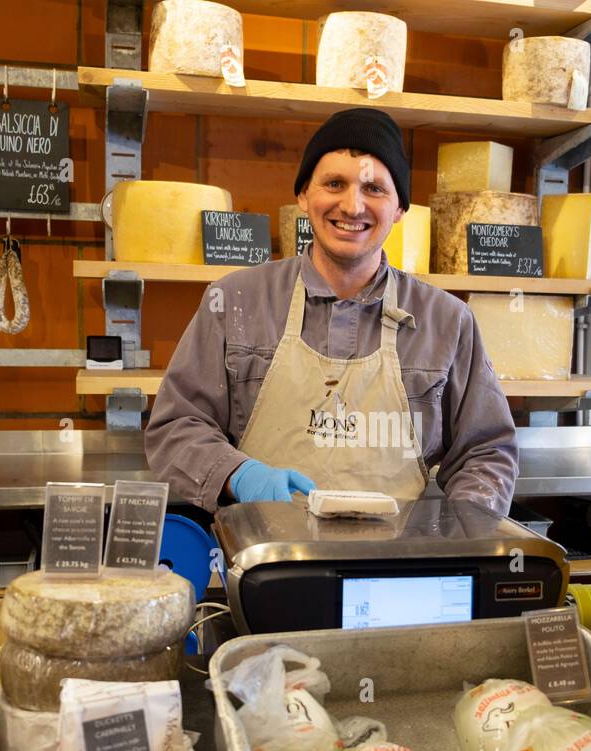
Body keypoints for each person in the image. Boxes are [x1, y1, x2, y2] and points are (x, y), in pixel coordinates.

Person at [143, 107, 518, 514]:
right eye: (335, 183)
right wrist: (238, 474)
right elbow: (176, 426)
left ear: (399, 210)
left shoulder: (447, 320)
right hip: (264, 559)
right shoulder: (235, 301)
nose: (353, 206)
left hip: (392, 568)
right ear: (303, 195)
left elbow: (486, 451)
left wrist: (461, 532)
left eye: (374, 189)